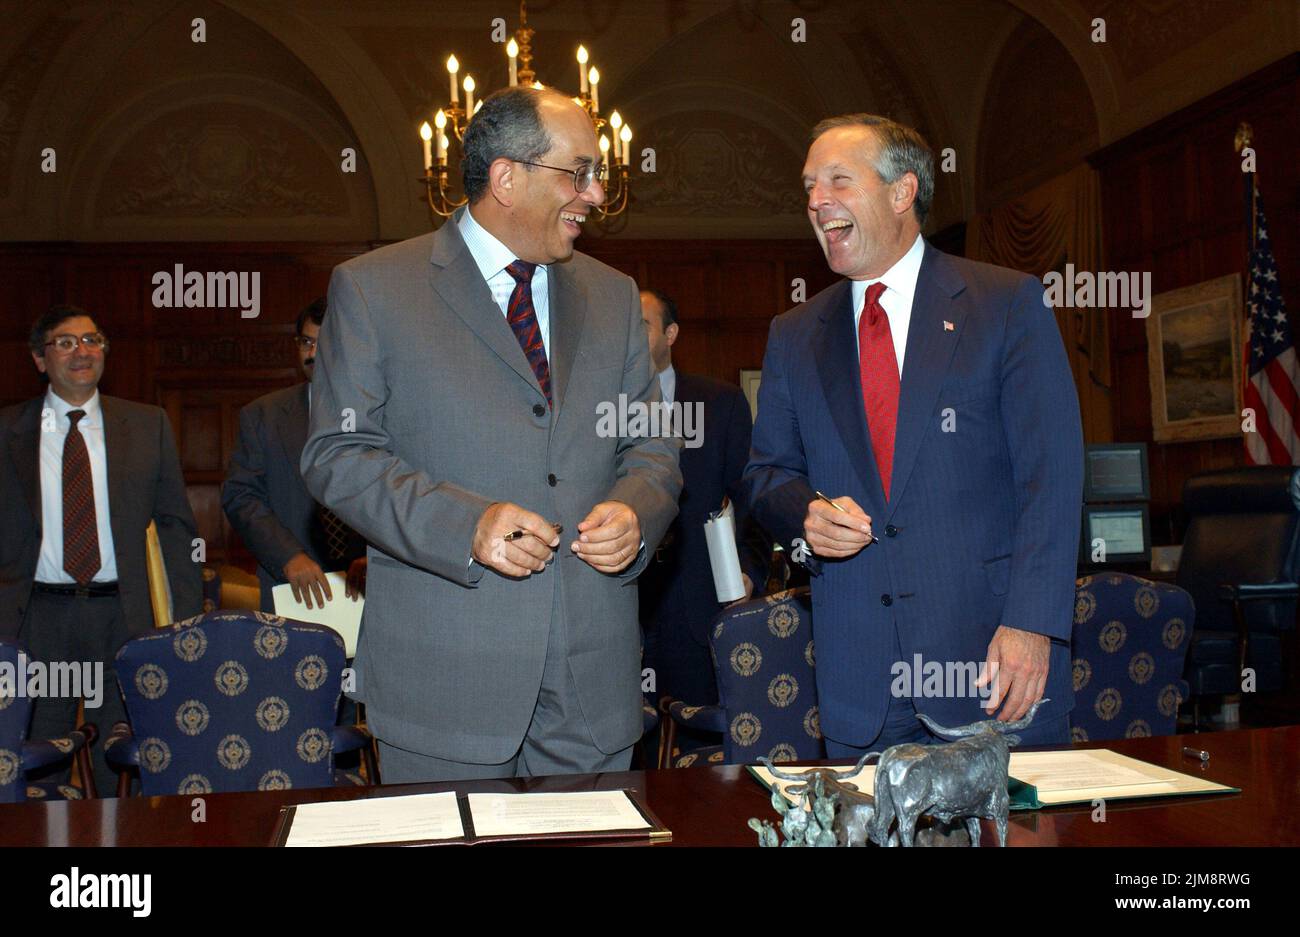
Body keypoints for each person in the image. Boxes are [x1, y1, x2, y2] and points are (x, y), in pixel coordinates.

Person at [301, 86, 682, 782]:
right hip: (445, 684)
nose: (596, 195)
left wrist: (637, 511)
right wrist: (466, 525)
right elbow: (337, 455)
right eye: (579, 172)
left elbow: (651, 445)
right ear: (507, 177)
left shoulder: (615, 294)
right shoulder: (373, 288)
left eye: (599, 174)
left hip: (590, 686)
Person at [743, 114, 1083, 756]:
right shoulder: (794, 334)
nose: (817, 201)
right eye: (809, 186)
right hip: (857, 679)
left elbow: (1053, 479)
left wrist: (1032, 624)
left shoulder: (1005, 304)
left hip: (992, 664)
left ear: (903, 192)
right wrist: (805, 514)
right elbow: (766, 474)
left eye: (838, 180)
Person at [0, 305, 201, 795]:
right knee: (35, 752)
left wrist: (186, 620)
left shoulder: (147, 424)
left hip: (122, 612)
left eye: (93, 339)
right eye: (65, 342)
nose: (82, 351)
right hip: (37, 616)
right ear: (39, 358)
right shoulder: (7, 430)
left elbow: (177, 526)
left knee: (120, 748)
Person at [636, 287, 769, 725]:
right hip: (618, 615)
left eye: (641, 325)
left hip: (699, 611)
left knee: (699, 763)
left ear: (670, 333)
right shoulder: (595, 408)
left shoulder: (720, 403)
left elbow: (754, 497)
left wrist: (748, 570)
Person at [222, 298, 367, 614]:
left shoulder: (381, 413)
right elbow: (241, 497)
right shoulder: (264, 416)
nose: (313, 354)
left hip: (370, 591)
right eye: (306, 342)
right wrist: (287, 555)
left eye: (324, 343)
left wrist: (377, 557)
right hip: (292, 593)